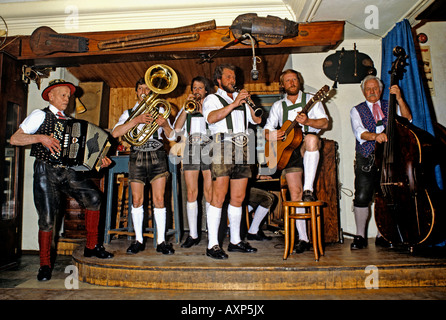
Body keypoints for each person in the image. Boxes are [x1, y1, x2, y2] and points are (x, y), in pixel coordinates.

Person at [10, 79, 114, 282]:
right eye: (63, 95)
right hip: (45, 171)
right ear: (51, 96)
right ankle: (44, 265)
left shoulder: (70, 122)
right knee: (48, 218)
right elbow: (15, 139)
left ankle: (92, 247)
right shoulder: (40, 115)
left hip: (67, 172)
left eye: (69, 96)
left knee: (93, 197)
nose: (67, 99)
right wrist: (41, 138)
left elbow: (82, 155)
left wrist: (99, 161)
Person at [264, 69, 328, 253]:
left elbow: (325, 123)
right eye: (287, 80)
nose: (292, 82)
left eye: (294, 79)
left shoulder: (311, 99)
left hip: (307, 146)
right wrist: (272, 134)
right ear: (282, 85)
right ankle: (303, 238)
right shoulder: (278, 106)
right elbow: (266, 130)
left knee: (311, 139)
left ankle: (310, 188)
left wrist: (308, 122)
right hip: (288, 152)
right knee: (294, 193)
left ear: (299, 82)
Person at [202, 64, 262, 259]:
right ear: (218, 80)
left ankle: (236, 241)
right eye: (228, 77)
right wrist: (235, 103)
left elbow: (257, 121)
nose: (232, 80)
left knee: (238, 197)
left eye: (233, 77)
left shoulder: (241, 99)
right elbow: (211, 118)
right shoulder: (212, 98)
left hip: (243, 147)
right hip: (222, 146)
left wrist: (251, 105)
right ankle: (213, 245)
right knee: (218, 197)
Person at [112, 77, 175, 255]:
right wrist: (136, 120)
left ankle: (161, 241)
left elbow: (171, 137)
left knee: (159, 200)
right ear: (136, 92)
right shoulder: (129, 112)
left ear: (153, 92)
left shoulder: (160, 110)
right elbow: (116, 132)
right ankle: (138, 240)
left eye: (148, 89)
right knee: (137, 200)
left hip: (157, 154)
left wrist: (165, 124)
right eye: (141, 89)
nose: (144, 92)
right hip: (137, 155)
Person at [350, 75, 412, 249]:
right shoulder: (357, 110)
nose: (372, 92)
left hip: (390, 157)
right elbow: (359, 132)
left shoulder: (390, 105)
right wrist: (375, 136)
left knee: (386, 195)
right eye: (368, 89)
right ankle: (360, 235)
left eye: (375, 88)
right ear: (363, 91)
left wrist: (399, 98)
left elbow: (408, 120)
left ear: (381, 90)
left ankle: (382, 234)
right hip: (367, 156)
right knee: (362, 196)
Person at [173, 76, 213, 248]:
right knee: (191, 192)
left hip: (209, 145)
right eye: (194, 88)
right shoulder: (188, 108)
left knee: (209, 191)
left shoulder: (211, 105)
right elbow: (176, 129)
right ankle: (194, 234)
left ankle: (212, 232)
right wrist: (185, 108)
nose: (196, 91)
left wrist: (203, 107)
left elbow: (214, 122)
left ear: (206, 91)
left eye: (200, 88)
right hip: (190, 146)